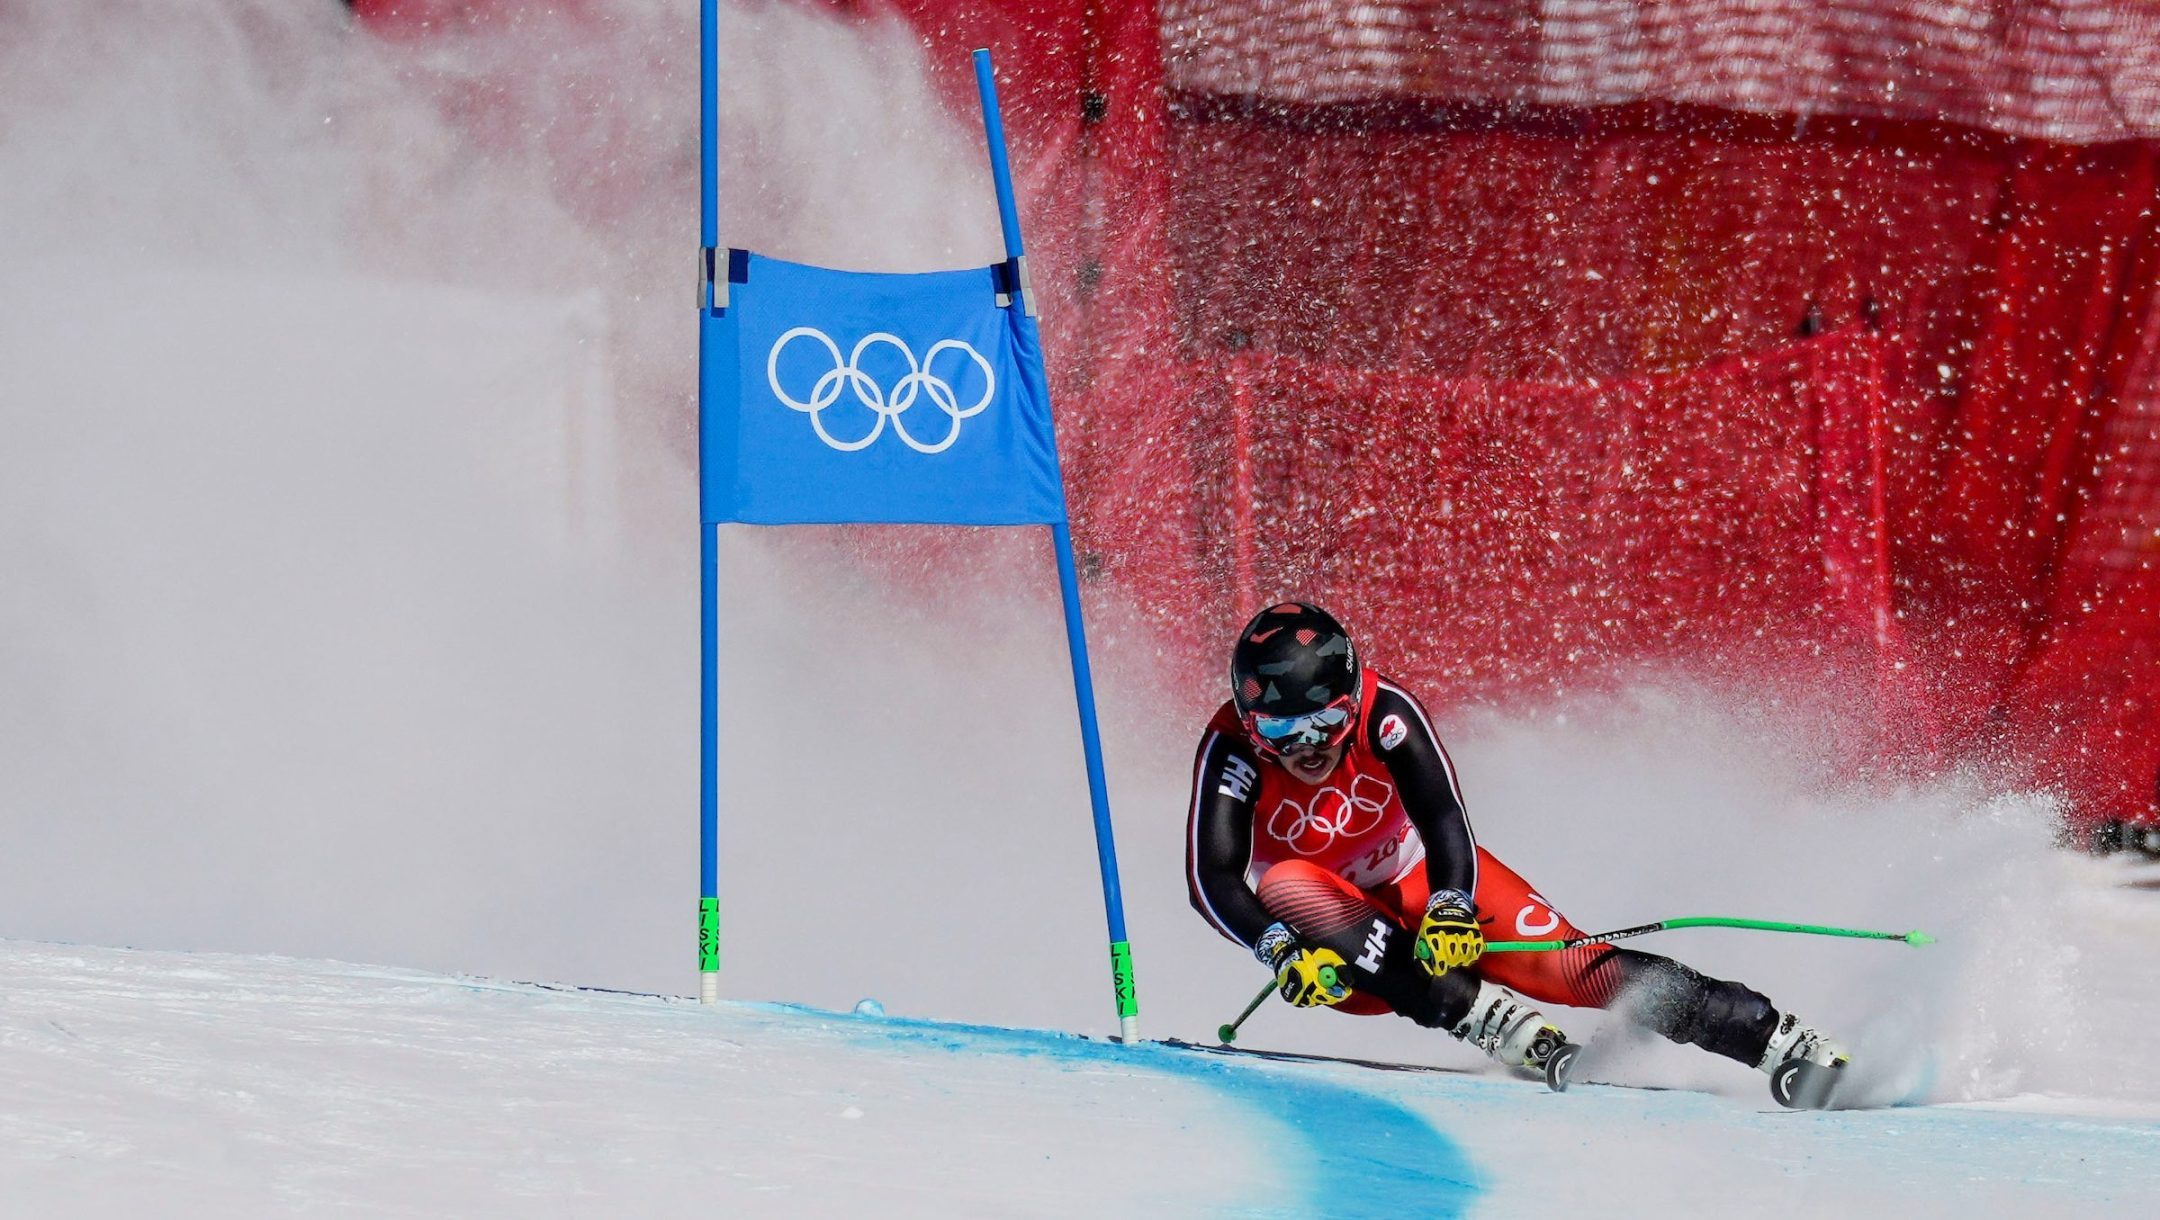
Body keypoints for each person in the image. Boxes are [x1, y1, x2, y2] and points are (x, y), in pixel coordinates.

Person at [1184, 601, 1850, 1106]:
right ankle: (1473, 1012)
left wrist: (1449, 906)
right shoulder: (1232, 752)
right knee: (1291, 882)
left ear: (1352, 699)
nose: (1306, 745)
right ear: (1250, 723)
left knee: (1575, 969)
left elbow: (1444, 816)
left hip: (1418, 878)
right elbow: (1211, 874)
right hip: (1345, 951)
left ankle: (1772, 1039)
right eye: (1279, 728)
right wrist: (1279, 949)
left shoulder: (1386, 714)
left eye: (1325, 721)